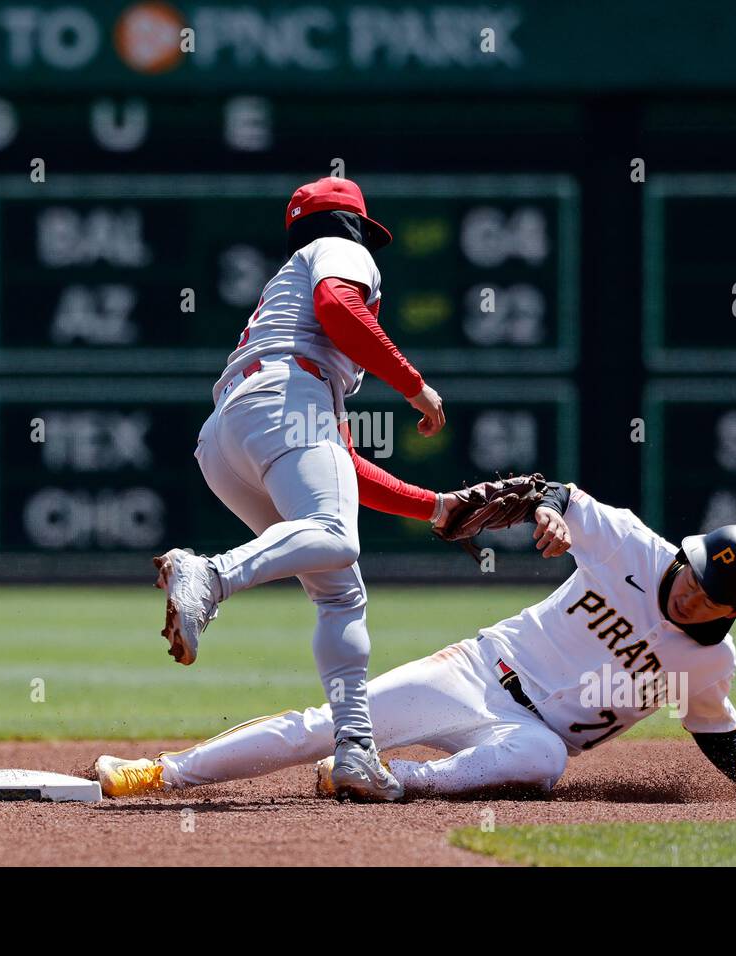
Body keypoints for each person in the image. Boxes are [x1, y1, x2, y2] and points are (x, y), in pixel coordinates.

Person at [101, 481, 736, 800]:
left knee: (546, 758)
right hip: (476, 671)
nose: (686, 585)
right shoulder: (634, 546)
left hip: (529, 736)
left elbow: (719, 735)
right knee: (327, 725)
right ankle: (163, 774)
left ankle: (389, 784)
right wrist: (549, 515)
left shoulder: (710, 661)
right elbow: (553, 494)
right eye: (690, 568)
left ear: (733, 610)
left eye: (706, 590)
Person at [149, 176, 453, 801]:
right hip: (288, 397)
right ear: (351, 227)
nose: (369, 245)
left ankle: (356, 751)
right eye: (365, 232)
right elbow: (340, 307)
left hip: (228, 433)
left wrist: (436, 505)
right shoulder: (338, 252)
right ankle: (211, 575)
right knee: (334, 539)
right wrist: (414, 385)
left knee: (337, 581)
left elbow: (339, 467)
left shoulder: (281, 296)